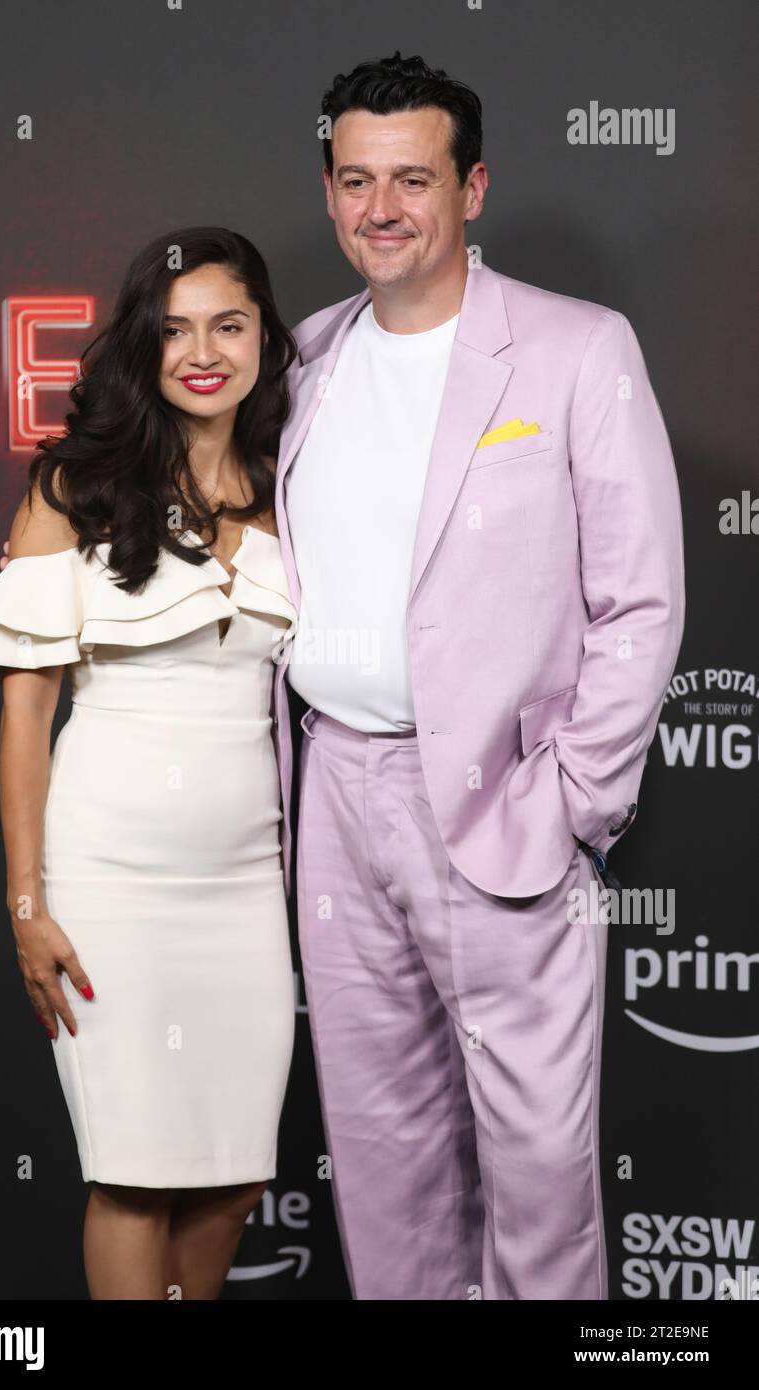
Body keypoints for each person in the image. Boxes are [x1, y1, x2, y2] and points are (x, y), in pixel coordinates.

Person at [269, 52, 686, 1300]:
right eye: (354, 181)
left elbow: (641, 596)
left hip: (502, 804)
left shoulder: (573, 349)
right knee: (382, 1163)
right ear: (330, 191)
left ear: (473, 187)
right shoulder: (301, 360)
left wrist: (572, 805)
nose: (380, 208)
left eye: (412, 179)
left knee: (539, 1182)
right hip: (338, 798)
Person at [0, 227, 299, 1300]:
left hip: (247, 888)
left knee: (233, 1178)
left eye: (228, 325)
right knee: (136, 1180)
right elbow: (27, 710)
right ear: (142, 348)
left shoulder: (291, 485)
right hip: (111, 887)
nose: (203, 351)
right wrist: (27, 902)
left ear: (261, 340)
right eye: (175, 328)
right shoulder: (75, 487)